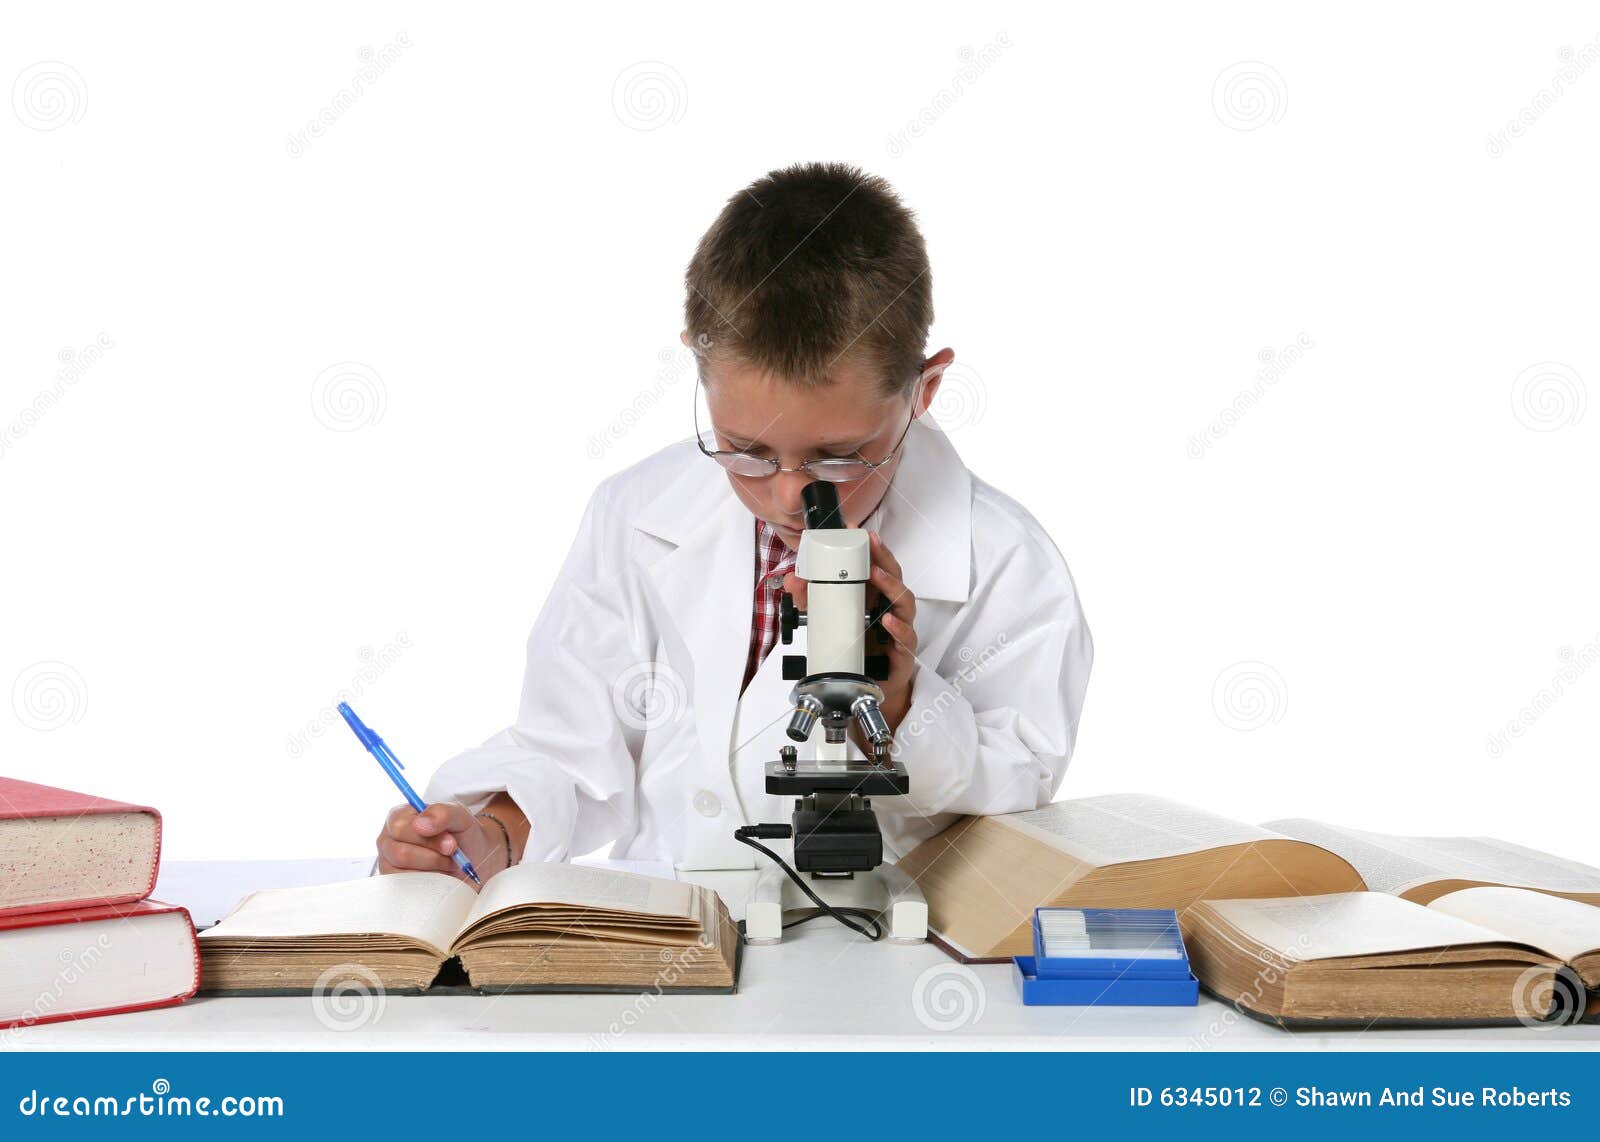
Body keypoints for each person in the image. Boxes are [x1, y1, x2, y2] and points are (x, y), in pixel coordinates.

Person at [376, 162, 1093, 882]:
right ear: (698, 369)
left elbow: (1021, 785)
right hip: (670, 934)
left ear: (923, 392)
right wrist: (494, 831)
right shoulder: (636, 513)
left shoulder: (1008, 564)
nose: (788, 495)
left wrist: (904, 703)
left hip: (876, 952)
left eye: (839, 458)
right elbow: (571, 749)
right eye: (746, 452)